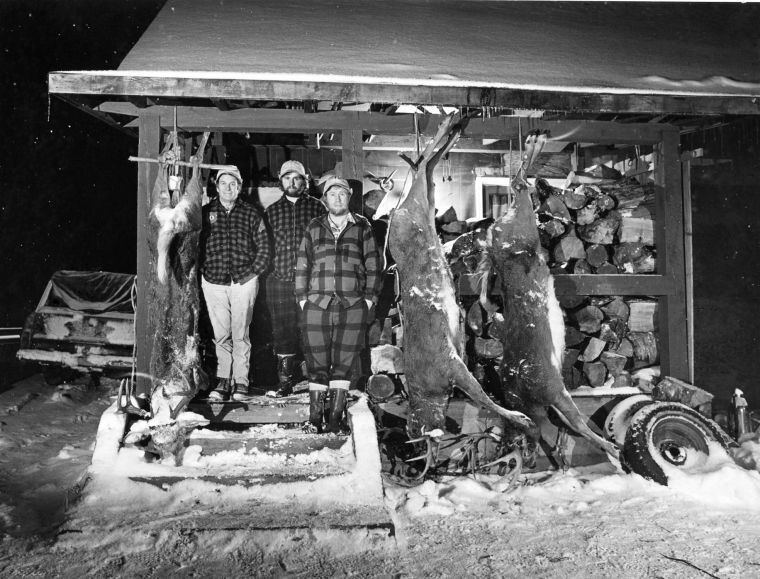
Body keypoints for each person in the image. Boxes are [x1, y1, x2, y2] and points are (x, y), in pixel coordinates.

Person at [295, 176, 381, 433]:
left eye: (342, 194)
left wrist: (369, 299)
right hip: (317, 302)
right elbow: (302, 263)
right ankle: (315, 418)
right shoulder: (314, 226)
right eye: (332, 194)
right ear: (325, 199)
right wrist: (302, 298)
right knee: (316, 361)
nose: (337, 198)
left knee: (344, 362)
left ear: (349, 196)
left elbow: (373, 264)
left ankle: (335, 418)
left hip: (352, 302)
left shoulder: (362, 226)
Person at [200, 167, 271, 401]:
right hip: (214, 280)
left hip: (243, 281)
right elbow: (195, 246)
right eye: (224, 183)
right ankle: (223, 380)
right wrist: (203, 269)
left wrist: (253, 273)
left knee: (240, 333)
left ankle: (241, 381)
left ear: (239, 187)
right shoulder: (205, 213)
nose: (228, 188)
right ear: (217, 186)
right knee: (221, 334)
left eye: (233, 184)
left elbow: (264, 248)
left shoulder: (252, 213)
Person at [264, 160, 326, 396]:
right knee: (282, 331)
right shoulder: (271, 211)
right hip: (279, 281)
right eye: (287, 178)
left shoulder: (318, 208)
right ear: (281, 182)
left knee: (312, 330)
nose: (292, 182)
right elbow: (264, 247)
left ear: (304, 181)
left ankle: (315, 380)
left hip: (310, 282)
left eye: (297, 178)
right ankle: (285, 382)